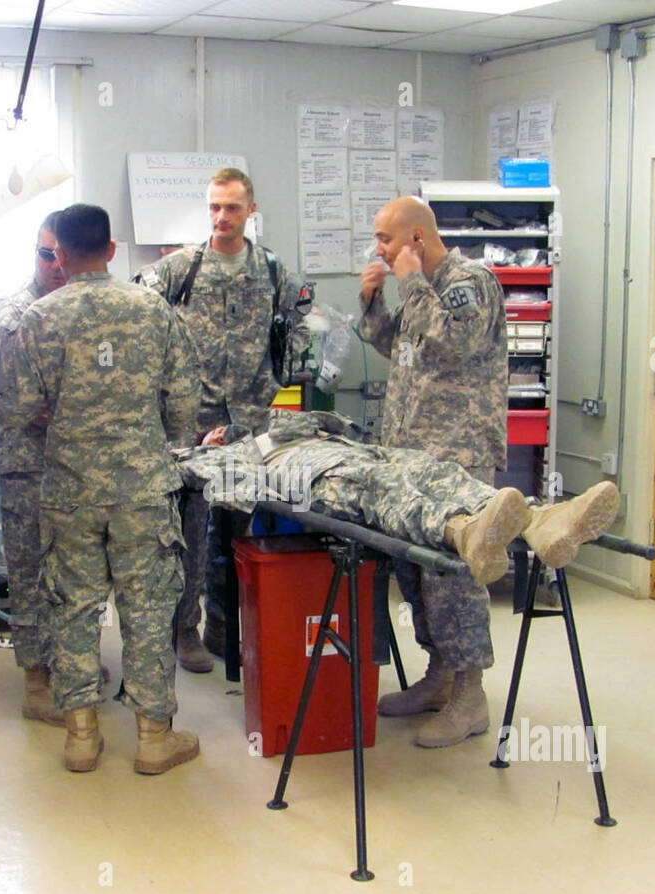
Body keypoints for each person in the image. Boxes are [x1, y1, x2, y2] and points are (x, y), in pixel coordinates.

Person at [3, 203, 200, 774]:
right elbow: (185, 404)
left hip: (68, 489)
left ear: (58, 255)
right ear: (111, 249)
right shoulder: (152, 309)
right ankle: (154, 738)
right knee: (147, 608)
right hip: (141, 487)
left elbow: (15, 409)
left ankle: (81, 737)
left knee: (73, 607)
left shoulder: (37, 319)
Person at [136, 167, 311, 673]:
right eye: (214, 206)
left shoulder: (273, 272)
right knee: (188, 531)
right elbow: (140, 312)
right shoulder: (181, 268)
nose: (221, 217)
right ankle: (184, 628)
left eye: (232, 207)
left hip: (249, 421)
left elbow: (304, 318)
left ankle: (223, 625)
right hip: (192, 423)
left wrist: (281, 373)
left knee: (235, 528)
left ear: (250, 211)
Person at [358, 195, 510, 747]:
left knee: (453, 578)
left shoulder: (471, 280)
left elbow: (456, 343)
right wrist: (372, 302)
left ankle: (470, 695)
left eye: (386, 239)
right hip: (409, 455)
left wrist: (411, 283)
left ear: (416, 239)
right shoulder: (417, 287)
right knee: (414, 571)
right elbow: (397, 343)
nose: (380, 248)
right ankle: (439, 676)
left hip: (457, 458)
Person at [176, 409, 619, 583]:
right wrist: (212, 450)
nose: (216, 431)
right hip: (311, 473)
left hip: (354, 449)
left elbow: (335, 422)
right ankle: (462, 532)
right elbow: (204, 479)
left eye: (218, 428)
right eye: (209, 433)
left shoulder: (269, 425)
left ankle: (543, 522)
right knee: (384, 491)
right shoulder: (219, 456)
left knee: (435, 470)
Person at [0, 212, 67, 724]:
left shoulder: (81, 309)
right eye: (44, 253)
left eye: (62, 253)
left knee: (72, 575)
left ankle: (66, 663)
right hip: (30, 469)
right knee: (33, 575)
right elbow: (15, 399)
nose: (55, 264)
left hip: (78, 470)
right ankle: (37, 680)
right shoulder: (13, 313)